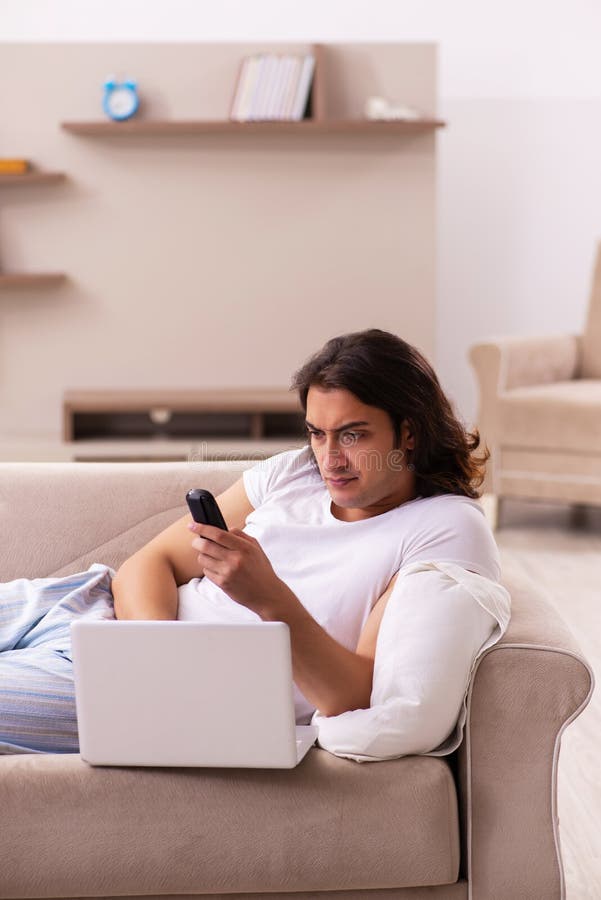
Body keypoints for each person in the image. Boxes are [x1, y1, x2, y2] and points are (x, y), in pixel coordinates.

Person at [0, 328, 500, 753]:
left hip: (123, 687)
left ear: (409, 433)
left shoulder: (441, 528)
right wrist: (152, 656)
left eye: (352, 435)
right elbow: (149, 562)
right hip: (86, 609)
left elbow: (355, 696)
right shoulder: (294, 473)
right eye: (317, 433)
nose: (329, 459)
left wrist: (269, 598)